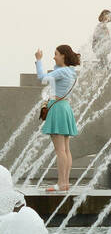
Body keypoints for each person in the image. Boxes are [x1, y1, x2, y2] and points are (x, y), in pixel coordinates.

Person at [34, 45, 80, 192]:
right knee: (66, 149)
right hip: (65, 107)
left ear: (63, 56)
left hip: (57, 108)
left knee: (60, 150)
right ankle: (65, 183)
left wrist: (38, 60)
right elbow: (56, 71)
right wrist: (57, 63)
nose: (54, 57)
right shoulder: (71, 72)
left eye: (56, 54)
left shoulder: (61, 72)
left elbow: (42, 78)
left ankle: (61, 184)